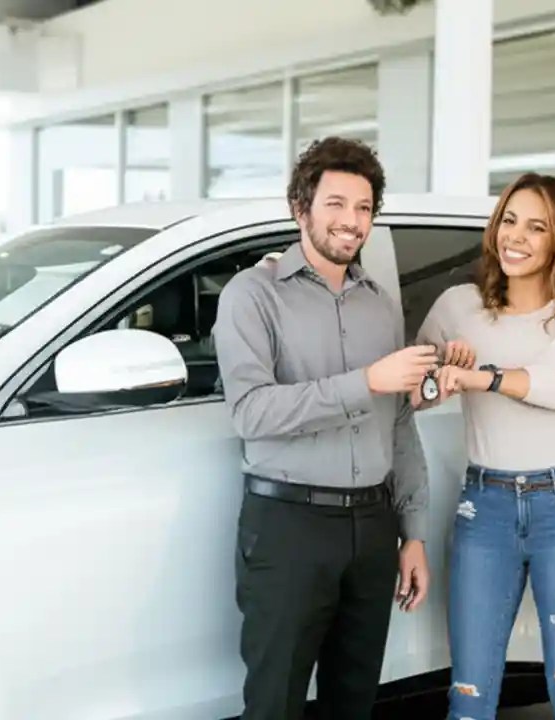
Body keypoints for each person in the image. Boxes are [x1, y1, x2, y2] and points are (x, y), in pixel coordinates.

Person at [212, 136, 437, 720]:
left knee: (354, 702)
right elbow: (252, 413)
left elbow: (400, 423)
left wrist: (412, 531)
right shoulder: (252, 296)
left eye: (363, 208)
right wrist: (368, 380)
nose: (351, 221)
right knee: (274, 703)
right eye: (335, 204)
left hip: (372, 525)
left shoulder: (381, 304)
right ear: (300, 208)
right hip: (289, 526)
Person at [410, 172, 555, 720]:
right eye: (509, 221)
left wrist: (479, 375)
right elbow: (417, 396)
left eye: (536, 227)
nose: (516, 237)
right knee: (470, 697)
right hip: (485, 510)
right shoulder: (458, 306)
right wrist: (442, 372)